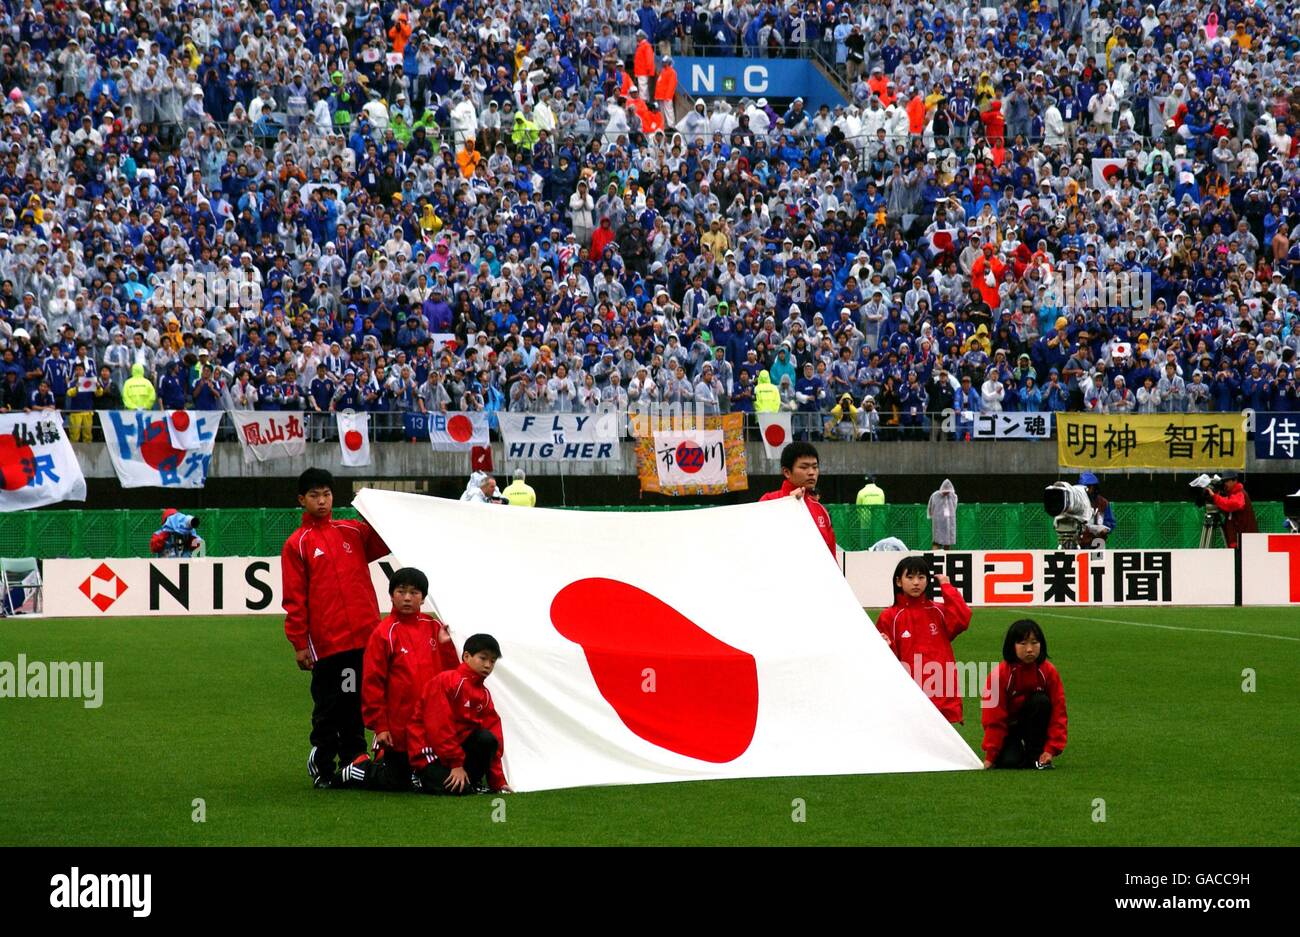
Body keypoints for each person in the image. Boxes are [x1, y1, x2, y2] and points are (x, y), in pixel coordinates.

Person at [281, 468, 391, 788]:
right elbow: (294, 598)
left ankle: (354, 759)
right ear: (302, 500)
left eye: (327, 494)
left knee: (358, 699)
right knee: (330, 704)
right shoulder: (297, 544)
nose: (322, 501)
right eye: (314, 495)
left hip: (365, 636)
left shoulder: (353, 531)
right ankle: (322, 763)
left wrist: (375, 507)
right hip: (328, 641)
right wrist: (299, 643)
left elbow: (386, 537)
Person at [349, 567, 460, 791]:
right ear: (391, 595)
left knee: (435, 779)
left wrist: (447, 646)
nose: (408, 598)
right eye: (401, 591)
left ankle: (418, 771)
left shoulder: (434, 627)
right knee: (395, 783)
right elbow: (372, 683)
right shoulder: (384, 633)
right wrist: (380, 726)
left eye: (414, 592)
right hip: (399, 724)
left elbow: (452, 674)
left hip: (431, 721)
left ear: (423, 597)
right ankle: (360, 769)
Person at [408, 632, 511, 795]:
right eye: (483, 658)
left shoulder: (484, 695)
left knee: (487, 739)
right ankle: (417, 776)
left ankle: (471, 782)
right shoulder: (446, 681)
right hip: (430, 752)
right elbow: (439, 727)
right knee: (454, 790)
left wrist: (497, 781)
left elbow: (494, 739)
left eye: (492, 661)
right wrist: (456, 764)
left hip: (455, 755)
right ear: (466, 656)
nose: (488, 665)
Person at [875, 555, 972, 723]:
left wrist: (947, 587)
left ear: (927, 581)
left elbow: (963, 618)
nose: (916, 583)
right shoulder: (889, 617)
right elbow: (884, 660)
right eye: (910, 577)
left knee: (943, 748)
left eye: (921, 577)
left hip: (942, 694)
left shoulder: (939, 611)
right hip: (910, 697)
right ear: (899, 582)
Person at [981, 619, 1068, 770]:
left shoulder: (1048, 671)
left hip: (1032, 722)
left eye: (1034, 643)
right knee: (1010, 763)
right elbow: (993, 718)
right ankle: (1015, 751)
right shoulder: (998, 675)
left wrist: (1051, 749)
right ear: (1011, 646)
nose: (1029, 649)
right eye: (1023, 643)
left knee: (1041, 702)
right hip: (1008, 728)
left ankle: (1036, 754)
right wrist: (991, 755)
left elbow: (1059, 712)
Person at [759, 441, 835, 556]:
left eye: (815, 467)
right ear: (787, 472)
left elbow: (831, 557)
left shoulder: (820, 510)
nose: (811, 473)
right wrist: (788, 505)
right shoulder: (769, 501)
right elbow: (759, 542)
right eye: (804, 467)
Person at [1209, 471, 1259, 548]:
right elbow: (1229, 511)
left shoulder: (1239, 493)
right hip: (1238, 538)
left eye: (1227, 481)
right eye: (1224, 481)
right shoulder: (1232, 494)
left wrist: (1215, 497)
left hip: (1244, 540)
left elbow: (1231, 505)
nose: (1225, 483)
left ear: (1235, 480)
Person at [1077, 472, 1115, 549]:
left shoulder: (1103, 502)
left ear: (1094, 487)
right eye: (1085, 488)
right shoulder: (1076, 503)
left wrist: (1105, 529)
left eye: (1089, 487)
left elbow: (1111, 522)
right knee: (1077, 560)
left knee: (1098, 561)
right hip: (1079, 543)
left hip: (1097, 542)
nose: (1087, 490)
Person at [927, 479, 958, 550]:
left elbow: (954, 507)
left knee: (948, 542)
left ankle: (947, 556)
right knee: (937, 541)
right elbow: (930, 507)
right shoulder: (935, 495)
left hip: (950, 523)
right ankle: (934, 556)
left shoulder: (953, 496)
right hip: (938, 522)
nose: (946, 493)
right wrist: (931, 516)